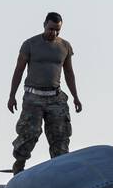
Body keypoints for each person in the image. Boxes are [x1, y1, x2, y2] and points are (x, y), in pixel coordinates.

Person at [7, 12, 82, 174]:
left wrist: (76, 97)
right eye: (51, 29)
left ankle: (60, 173)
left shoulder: (65, 47)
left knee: (60, 137)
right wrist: (11, 95)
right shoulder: (30, 44)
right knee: (30, 133)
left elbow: (69, 73)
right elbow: (19, 70)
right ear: (44, 25)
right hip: (33, 97)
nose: (53, 33)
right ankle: (19, 165)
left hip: (56, 98)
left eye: (57, 30)